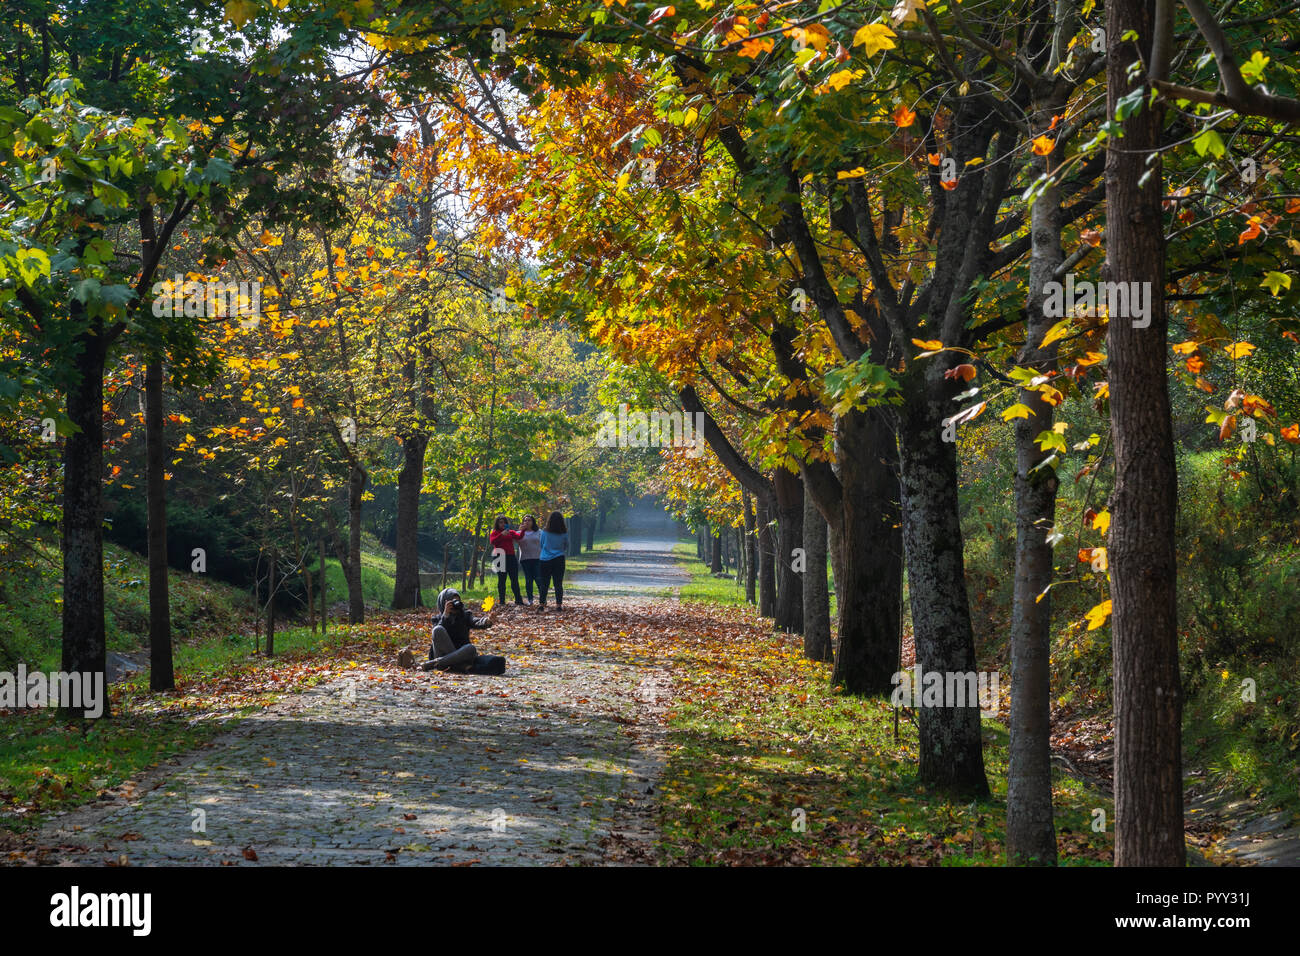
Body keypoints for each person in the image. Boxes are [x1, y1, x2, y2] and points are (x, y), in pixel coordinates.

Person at [423, 587, 502, 673]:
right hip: (442, 654)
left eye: (457, 601)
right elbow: (437, 635)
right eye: (452, 602)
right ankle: (457, 666)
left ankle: (438, 663)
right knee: (437, 629)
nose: (455, 604)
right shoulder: (437, 618)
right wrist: (445, 615)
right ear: (443, 603)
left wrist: (487, 621)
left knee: (471, 648)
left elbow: (476, 621)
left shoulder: (465, 615)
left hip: (461, 655)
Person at [489, 515, 524, 605]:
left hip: (511, 557)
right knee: (502, 579)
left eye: (504, 522)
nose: (503, 524)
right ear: (497, 524)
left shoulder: (511, 532)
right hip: (499, 557)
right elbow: (492, 542)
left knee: (514, 579)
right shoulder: (495, 533)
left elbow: (519, 537)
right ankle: (502, 601)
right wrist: (501, 535)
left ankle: (518, 600)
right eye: (501, 522)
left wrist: (523, 530)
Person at [537, 511, 568, 611]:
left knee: (544, 583)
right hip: (559, 558)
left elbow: (541, 545)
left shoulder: (544, 532)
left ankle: (542, 604)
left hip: (545, 559)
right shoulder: (564, 533)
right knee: (558, 583)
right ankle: (558, 605)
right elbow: (566, 545)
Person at [517, 514, 542, 605]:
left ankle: (542, 599)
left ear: (533, 522)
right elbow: (510, 540)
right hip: (525, 559)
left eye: (529, 520)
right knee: (528, 580)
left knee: (538, 579)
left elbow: (544, 544)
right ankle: (530, 599)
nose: (527, 522)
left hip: (537, 559)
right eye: (525, 520)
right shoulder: (519, 533)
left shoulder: (539, 532)